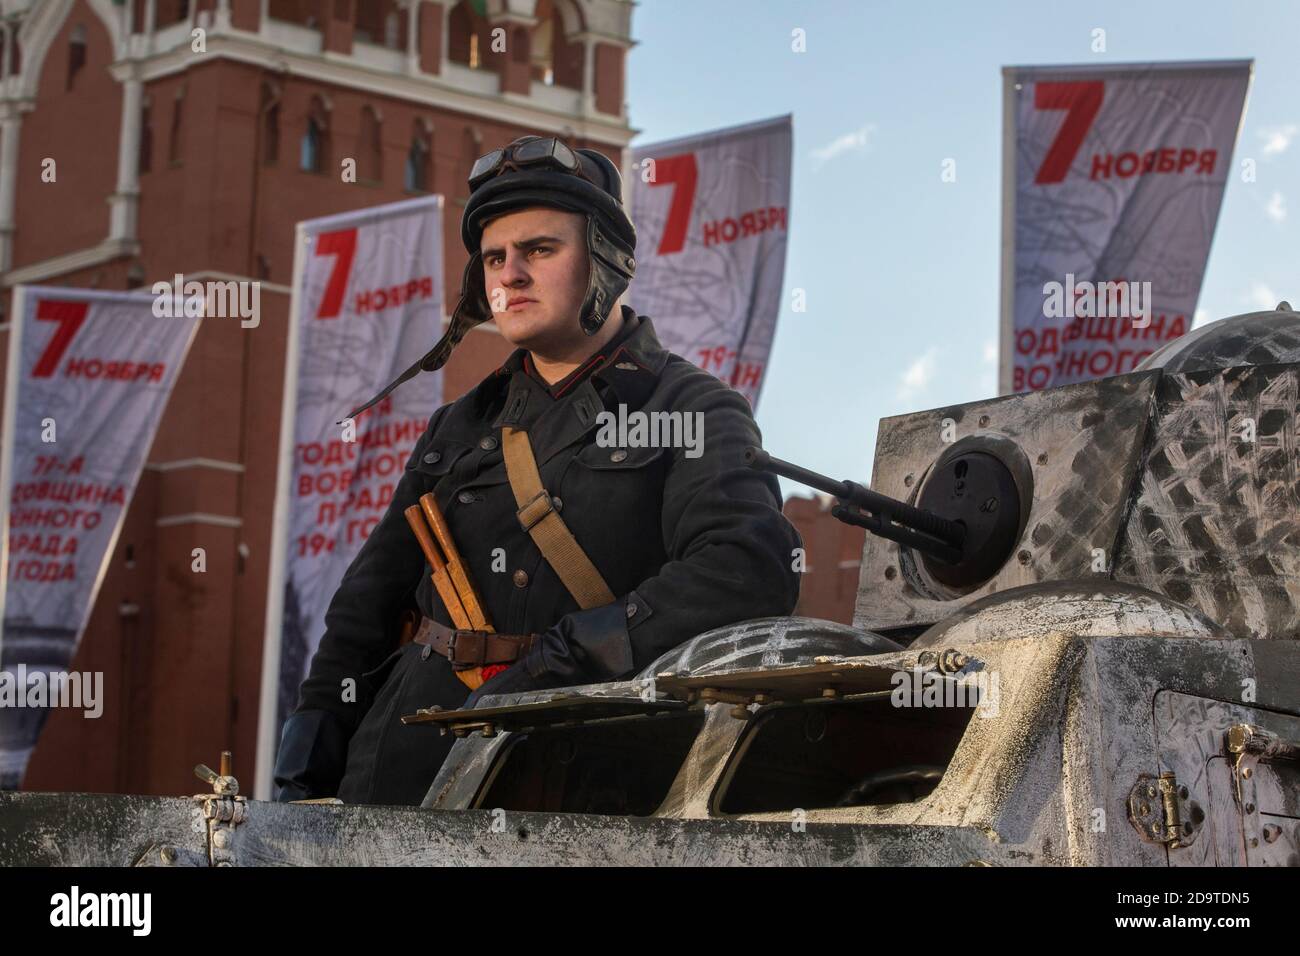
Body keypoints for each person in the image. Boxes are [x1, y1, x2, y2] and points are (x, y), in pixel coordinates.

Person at [272, 136, 802, 806]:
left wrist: (562, 660)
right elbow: (366, 608)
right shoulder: (459, 426)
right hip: (402, 773)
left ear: (605, 260)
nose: (509, 275)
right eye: (495, 257)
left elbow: (747, 567)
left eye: (540, 250)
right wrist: (305, 760)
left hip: (579, 779)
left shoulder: (690, 407)